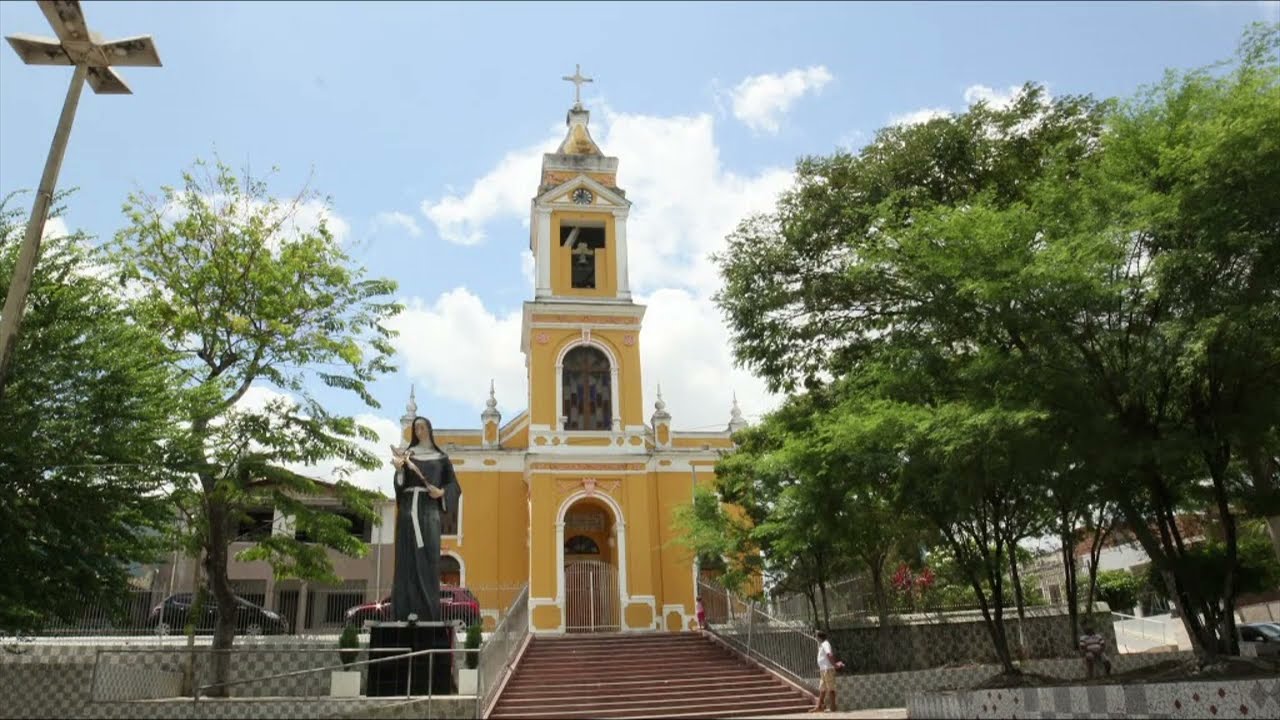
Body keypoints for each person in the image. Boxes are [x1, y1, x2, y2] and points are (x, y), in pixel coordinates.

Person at [390, 416, 462, 622]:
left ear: (429, 429)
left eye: (422, 427)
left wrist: (441, 493)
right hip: (407, 510)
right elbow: (400, 485)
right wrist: (399, 471)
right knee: (406, 559)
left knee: (428, 557)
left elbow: (454, 488)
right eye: (416, 428)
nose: (419, 431)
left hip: (429, 512)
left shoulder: (441, 458)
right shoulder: (408, 456)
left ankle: (428, 612)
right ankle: (404, 611)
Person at [811, 629, 844, 713]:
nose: (815, 638)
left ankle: (833, 707)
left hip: (828, 670)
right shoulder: (822, 645)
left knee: (831, 688)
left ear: (819, 637)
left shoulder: (826, 644)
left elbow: (829, 655)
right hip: (823, 670)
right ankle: (819, 706)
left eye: (816, 636)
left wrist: (835, 665)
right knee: (822, 689)